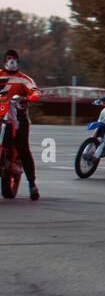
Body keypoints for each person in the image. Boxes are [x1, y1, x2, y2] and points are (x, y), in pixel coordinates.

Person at [0, 49, 42, 200]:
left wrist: (31, 96)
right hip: (1, 116)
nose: (11, 61)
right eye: (9, 58)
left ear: (18, 61)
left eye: (14, 59)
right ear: (4, 60)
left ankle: (32, 185)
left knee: (23, 148)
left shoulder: (24, 79)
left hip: (18, 119)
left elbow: (35, 91)